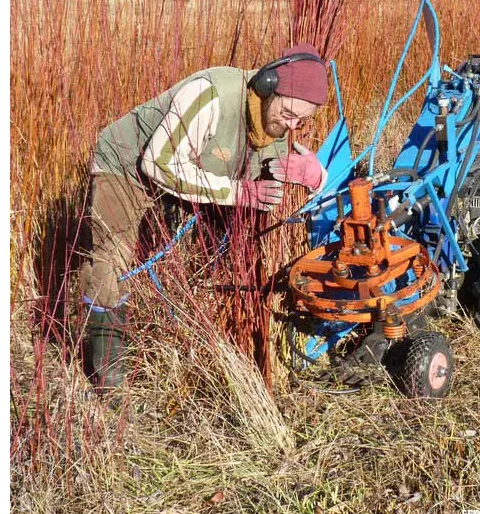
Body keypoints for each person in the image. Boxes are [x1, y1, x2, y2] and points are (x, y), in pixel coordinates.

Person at [80, 44, 329, 391]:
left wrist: (316, 177)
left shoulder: (274, 128)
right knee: (112, 261)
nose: (291, 126)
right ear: (267, 85)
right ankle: (109, 377)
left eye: (302, 121)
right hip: (127, 166)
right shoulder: (213, 93)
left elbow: (276, 189)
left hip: (190, 173)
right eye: (288, 114)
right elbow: (159, 163)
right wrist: (239, 193)